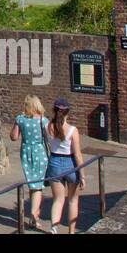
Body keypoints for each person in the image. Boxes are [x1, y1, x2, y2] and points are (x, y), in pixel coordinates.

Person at [43, 97, 86, 233]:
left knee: (58, 199)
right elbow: (78, 154)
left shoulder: (47, 126)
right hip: (70, 163)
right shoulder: (73, 130)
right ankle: (71, 231)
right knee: (73, 200)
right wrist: (82, 175)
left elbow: (49, 144)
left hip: (54, 162)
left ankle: (54, 227)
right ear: (67, 112)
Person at [10, 95, 48, 229]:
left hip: (26, 151)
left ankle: (34, 214)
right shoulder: (43, 121)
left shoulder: (20, 119)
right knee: (38, 185)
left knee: (33, 183)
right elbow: (48, 138)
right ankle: (34, 214)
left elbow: (14, 137)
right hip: (40, 151)